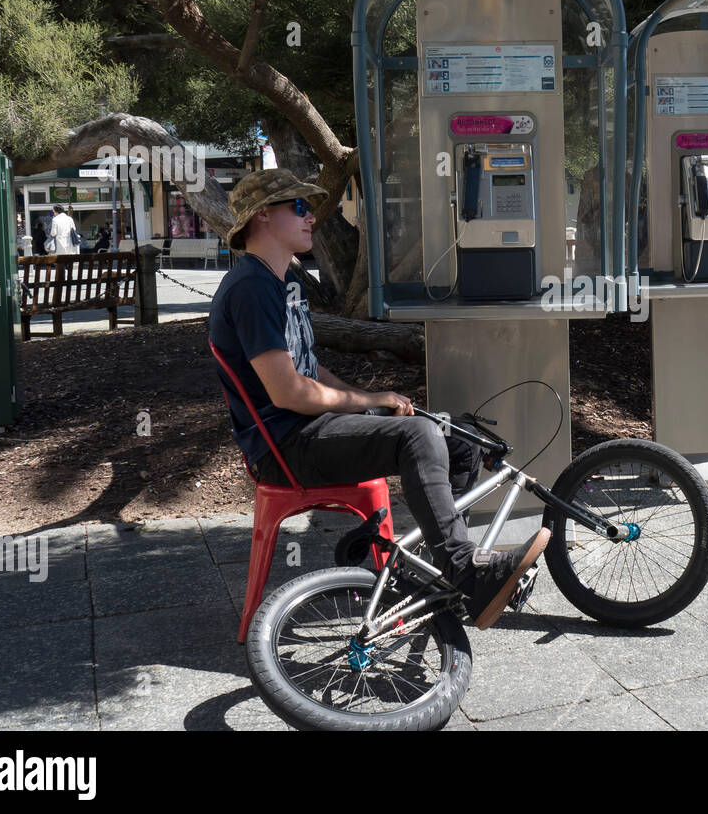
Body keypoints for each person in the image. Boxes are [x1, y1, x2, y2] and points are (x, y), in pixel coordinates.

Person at [207, 169, 548, 630]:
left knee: (459, 437)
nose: (312, 218)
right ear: (263, 215)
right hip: (286, 447)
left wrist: (370, 401)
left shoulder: (282, 280)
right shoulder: (251, 287)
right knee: (418, 436)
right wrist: (368, 402)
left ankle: (434, 569)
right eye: (301, 207)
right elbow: (287, 391)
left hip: (310, 429)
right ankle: (466, 569)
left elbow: (309, 370)